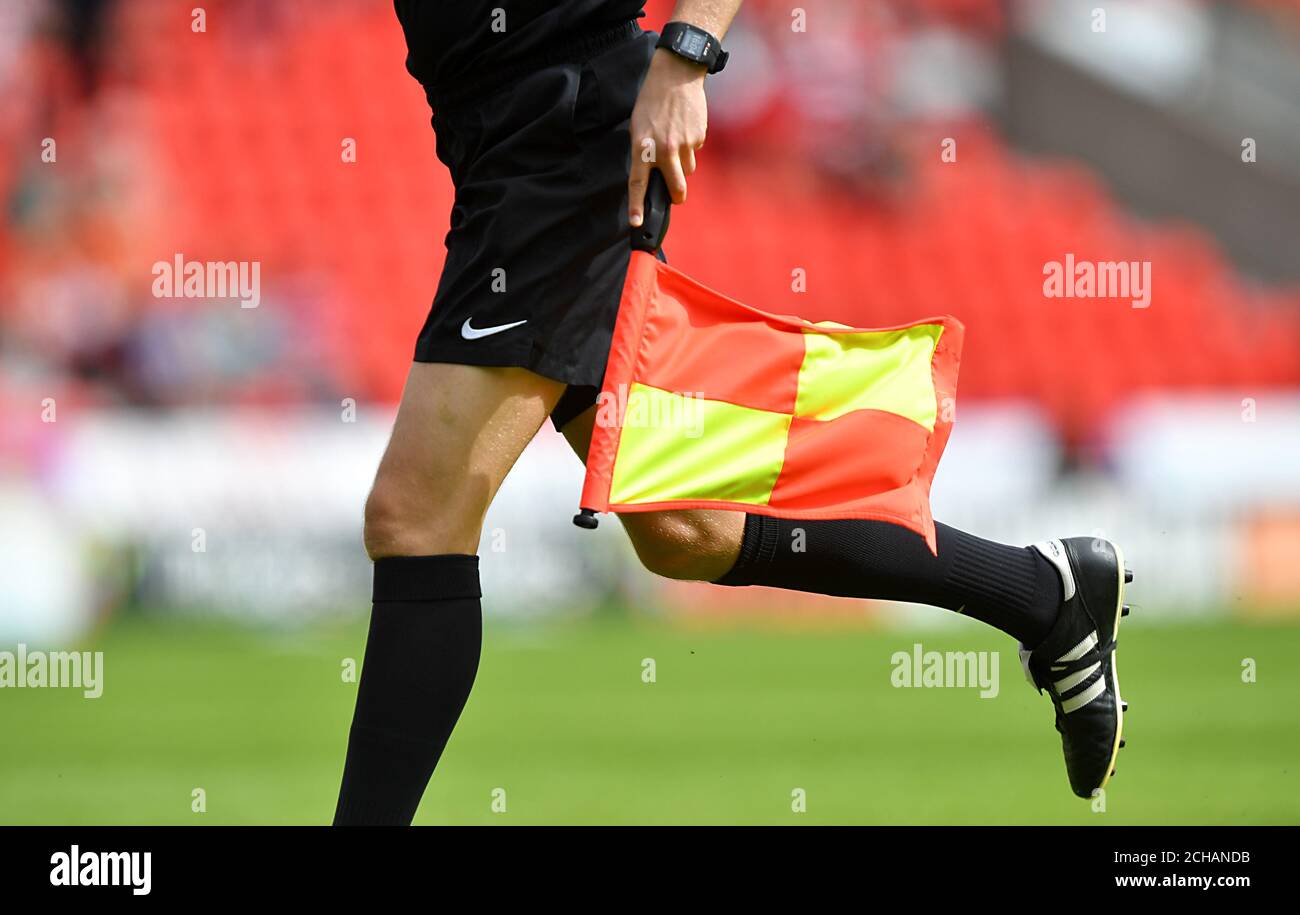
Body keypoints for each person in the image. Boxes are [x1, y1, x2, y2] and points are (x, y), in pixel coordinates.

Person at [332, 0, 1131, 826]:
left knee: (416, 520)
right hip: (498, 141)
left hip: (562, 135)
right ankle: (1041, 592)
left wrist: (689, 50)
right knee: (688, 529)